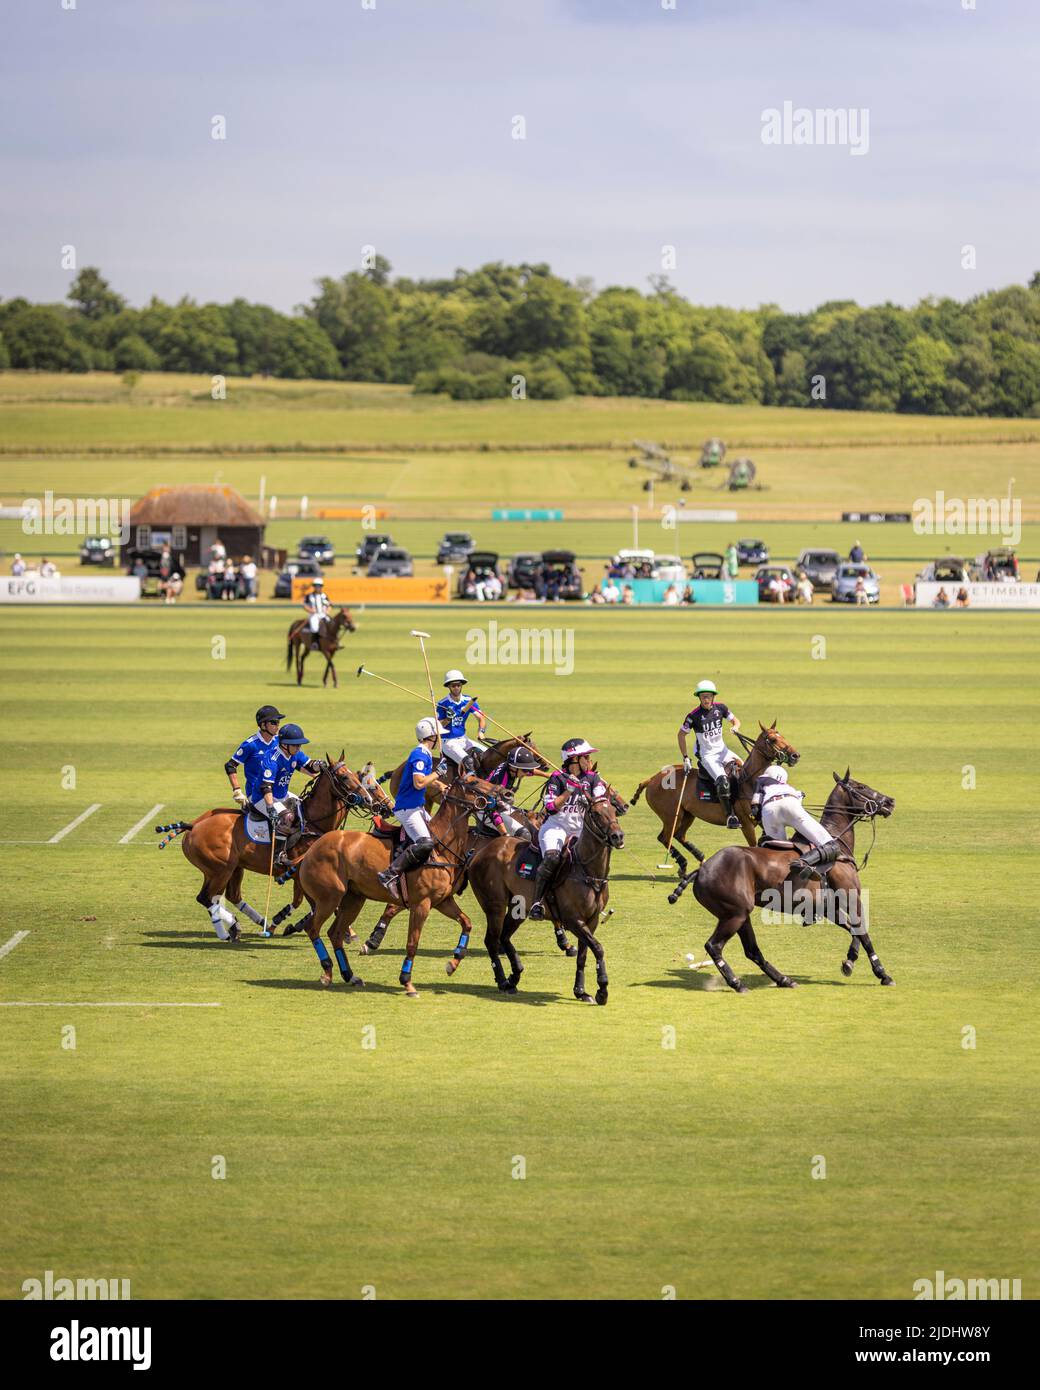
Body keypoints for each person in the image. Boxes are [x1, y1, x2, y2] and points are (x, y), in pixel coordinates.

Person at [529, 738, 607, 920]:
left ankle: (597, 900)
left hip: (581, 829)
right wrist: (568, 792)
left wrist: (594, 800)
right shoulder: (557, 779)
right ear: (574, 759)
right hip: (556, 826)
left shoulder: (592, 778)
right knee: (551, 858)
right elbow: (550, 807)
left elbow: (601, 800)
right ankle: (537, 902)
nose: (589, 760)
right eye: (586, 756)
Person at [377, 717, 445, 895]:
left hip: (417, 807)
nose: (440, 739)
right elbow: (419, 782)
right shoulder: (420, 754)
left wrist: (441, 785)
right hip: (407, 809)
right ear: (431, 736)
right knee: (425, 843)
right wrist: (438, 773)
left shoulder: (426, 753)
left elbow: (426, 778)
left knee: (439, 835)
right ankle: (389, 874)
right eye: (438, 736)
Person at [750, 764, 841, 876]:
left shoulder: (761, 780)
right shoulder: (793, 790)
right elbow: (798, 809)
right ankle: (803, 862)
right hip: (790, 804)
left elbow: (755, 809)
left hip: (768, 811)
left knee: (778, 856)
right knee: (832, 846)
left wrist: (758, 818)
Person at [678, 679, 743, 828]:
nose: (706, 699)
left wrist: (736, 727)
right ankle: (729, 816)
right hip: (707, 755)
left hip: (723, 750)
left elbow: (736, 721)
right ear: (699, 698)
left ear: (713, 697)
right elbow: (681, 735)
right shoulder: (693, 716)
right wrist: (686, 758)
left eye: (708, 696)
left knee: (745, 771)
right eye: (703, 697)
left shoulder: (721, 708)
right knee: (723, 782)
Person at [262, 723, 323, 867]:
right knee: (287, 818)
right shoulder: (272, 759)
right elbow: (266, 787)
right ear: (284, 745)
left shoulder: (294, 754)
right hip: (264, 796)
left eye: (299, 745)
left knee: (304, 807)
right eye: (295, 745)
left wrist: (319, 764)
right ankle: (278, 856)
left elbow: (309, 765)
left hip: (282, 794)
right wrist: (270, 807)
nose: (298, 748)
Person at [224, 706, 287, 816]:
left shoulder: (279, 741)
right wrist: (237, 790)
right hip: (256, 794)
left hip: (275, 792)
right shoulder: (251, 744)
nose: (278, 726)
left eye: (278, 722)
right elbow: (230, 765)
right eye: (274, 722)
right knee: (284, 818)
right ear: (263, 725)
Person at [481, 745, 540, 839]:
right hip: (486, 811)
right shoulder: (500, 781)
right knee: (525, 834)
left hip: (499, 805)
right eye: (525, 770)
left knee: (531, 823)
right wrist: (504, 834)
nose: (527, 773)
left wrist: (547, 775)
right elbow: (491, 809)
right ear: (514, 768)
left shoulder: (509, 768)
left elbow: (530, 772)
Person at [436, 669, 486, 772]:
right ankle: (470, 786)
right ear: (449, 686)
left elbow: (481, 717)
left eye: (458, 685)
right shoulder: (442, 704)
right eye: (453, 685)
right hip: (448, 742)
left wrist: (481, 732)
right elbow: (438, 726)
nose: (456, 688)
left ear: (461, 685)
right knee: (468, 761)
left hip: (463, 739)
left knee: (487, 754)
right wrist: (448, 719)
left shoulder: (468, 701)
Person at [302, 573, 331, 647]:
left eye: (319, 586)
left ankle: (332, 641)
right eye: (316, 586)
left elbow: (329, 605)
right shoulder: (309, 596)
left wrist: (327, 611)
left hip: (323, 614)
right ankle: (314, 643)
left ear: (321, 587)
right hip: (314, 615)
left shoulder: (324, 596)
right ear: (314, 586)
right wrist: (310, 610)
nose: (318, 587)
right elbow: (305, 605)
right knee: (315, 628)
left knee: (331, 625)